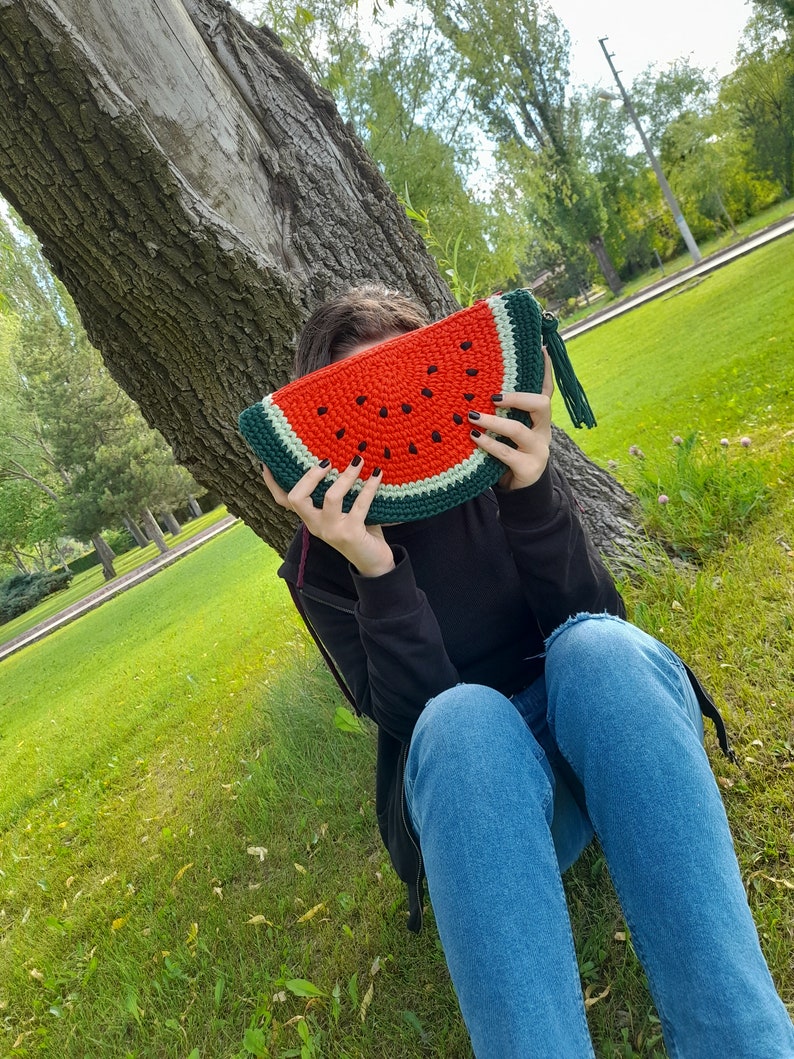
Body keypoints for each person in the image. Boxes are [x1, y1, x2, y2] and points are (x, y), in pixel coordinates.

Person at [261, 285, 794, 1058]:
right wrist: (373, 567)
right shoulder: (320, 567)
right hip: (483, 815)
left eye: (416, 378)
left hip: (603, 762)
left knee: (598, 648)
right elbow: (412, 724)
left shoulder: (503, 462)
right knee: (459, 718)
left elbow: (594, 614)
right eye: (366, 400)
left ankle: (745, 1044)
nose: (401, 410)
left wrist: (533, 494)